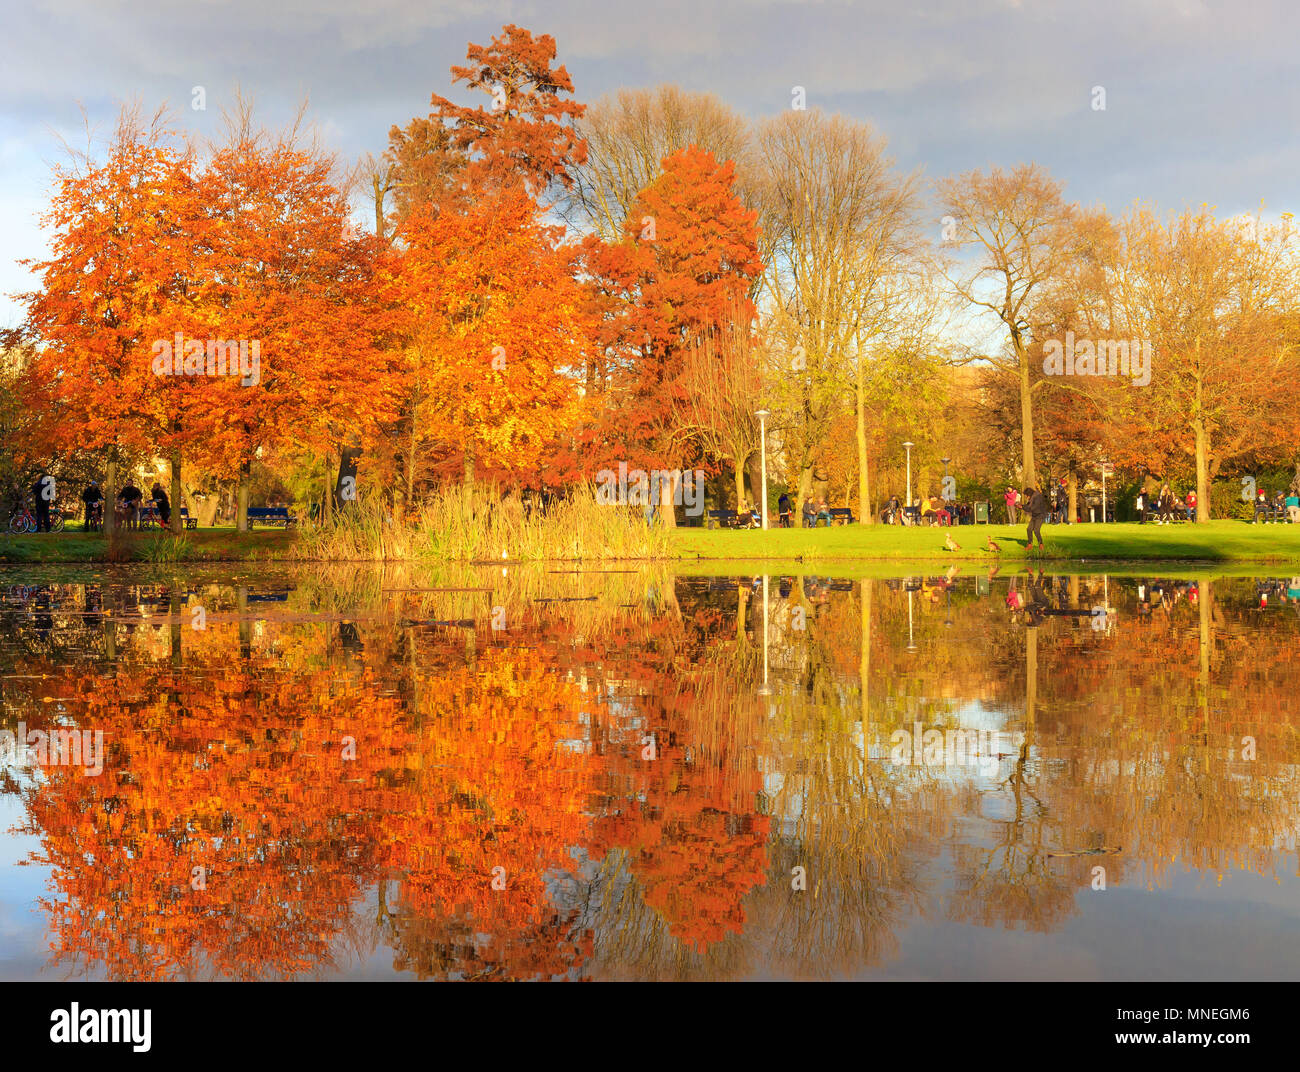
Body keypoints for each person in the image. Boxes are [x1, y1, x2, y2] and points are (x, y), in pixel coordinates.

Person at [1023, 485, 1049, 551]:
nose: (1026, 497)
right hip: (1035, 515)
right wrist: (1021, 506)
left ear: (1029, 494)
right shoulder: (1032, 498)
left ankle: (1041, 544)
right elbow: (1028, 506)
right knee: (1029, 529)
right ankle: (1029, 545)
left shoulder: (1038, 497)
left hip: (1040, 515)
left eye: (1026, 495)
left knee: (1036, 530)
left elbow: (1032, 508)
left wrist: (1023, 507)